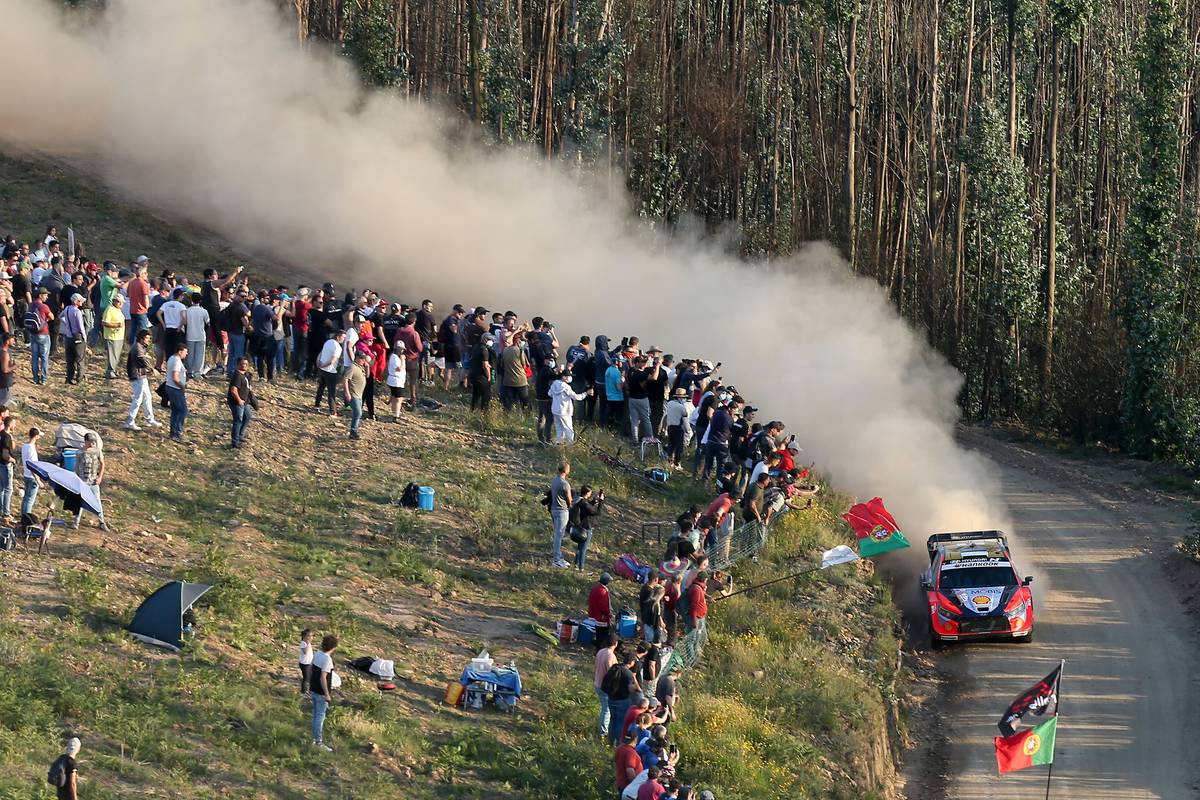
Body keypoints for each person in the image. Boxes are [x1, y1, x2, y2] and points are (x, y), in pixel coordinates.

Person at [124, 329, 159, 430]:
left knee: (147, 396)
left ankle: (149, 419)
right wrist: (152, 369)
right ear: (141, 338)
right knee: (138, 398)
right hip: (137, 376)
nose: (148, 340)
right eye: (147, 338)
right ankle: (130, 421)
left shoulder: (140, 347)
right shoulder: (137, 348)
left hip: (141, 375)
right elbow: (142, 360)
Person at [72, 433, 107, 530]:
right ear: (86, 441)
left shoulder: (97, 451)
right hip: (82, 481)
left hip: (93, 482)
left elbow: (102, 464)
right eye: (90, 441)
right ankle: (76, 522)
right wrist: (76, 478)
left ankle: (102, 522)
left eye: (93, 441)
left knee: (97, 502)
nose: (92, 443)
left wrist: (100, 477)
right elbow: (76, 467)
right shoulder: (79, 452)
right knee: (79, 502)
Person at [605, 651, 640, 746]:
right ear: (632, 662)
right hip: (622, 700)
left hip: (611, 698)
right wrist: (636, 688)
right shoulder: (627, 673)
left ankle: (610, 741)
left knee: (613, 720)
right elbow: (631, 689)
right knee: (620, 722)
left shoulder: (615, 667)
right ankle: (618, 743)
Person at [310, 634, 338, 751]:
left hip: (313, 689)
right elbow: (323, 677)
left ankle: (314, 739)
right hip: (321, 692)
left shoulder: (317, 654)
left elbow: (311, 668)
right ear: (333, 647)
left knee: (316, 715)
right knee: (320, 717)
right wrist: (327, 694)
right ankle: (318, 743)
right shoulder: (327, 660)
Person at [549, 365, 590, 444]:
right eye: (568, 376)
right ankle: (570, 445)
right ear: (563, 377)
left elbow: (549, 393)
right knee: (568, 429)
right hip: (564, 411)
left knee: (559, 429)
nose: (569, 378)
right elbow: (576, 397)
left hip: (555, 410)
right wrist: (586, 393)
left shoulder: (554, 384)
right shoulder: (566, 387)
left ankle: (559, 443)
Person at [569, 485, 605, 570]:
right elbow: (596, 512)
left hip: (580, 526)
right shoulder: (584, 503)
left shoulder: (579, 500)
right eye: (590, 493)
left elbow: (588, 507)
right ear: (587, 493)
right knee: (583, 549)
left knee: (579, 548)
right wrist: (601, 502)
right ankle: (581, 567)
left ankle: (576, 565)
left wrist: (594, 501)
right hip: (586, 528)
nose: (591, 494)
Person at [227, 357, 258, 448]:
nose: (244, 365)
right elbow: (233, 390)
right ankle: (235, 442)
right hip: (237, 402)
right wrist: (239, 400)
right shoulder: (237, 375)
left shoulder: (245, 375)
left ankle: (240, 435)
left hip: (245, 402)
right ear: (238, 365)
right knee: (238, 420)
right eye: (242, 364)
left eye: (246, 364)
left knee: (247, 416)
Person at [314, 330, 345, 416]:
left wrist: (318, 363)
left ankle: (317, 405)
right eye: (343, 337)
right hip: (330, 371)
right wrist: (324, 365)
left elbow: (321, 353)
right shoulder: (338, 347)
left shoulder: (327, 342)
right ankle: (333, 411)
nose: (344, 340)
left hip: (322, 370)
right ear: (338, 337)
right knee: (331, 392)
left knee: (321, 388)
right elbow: (332, 361)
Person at [594, 631, 618, 740]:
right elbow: (612, 673)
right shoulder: (610, 656)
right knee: (606, 710)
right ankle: (603, 733)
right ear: (615, 643)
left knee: (604, 708)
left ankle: (603, 729)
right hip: (605, 687)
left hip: (597, 683)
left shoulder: (600, 651)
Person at [27, 287, 53, 385]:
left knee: (34, 357)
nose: (47, 297)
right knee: (44, 357)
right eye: (45, 295)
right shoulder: (44, 307)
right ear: (40, 295)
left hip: (33, 333)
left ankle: (35, 378)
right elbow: (52, 316)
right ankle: (44, 379)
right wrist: (45, 320)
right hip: (43, 333)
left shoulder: (31, 305)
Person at [549, 462, 572, 568]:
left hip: (554, 509)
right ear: (566, 471)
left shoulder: (554, 480)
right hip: (562, 510)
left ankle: (558, 556)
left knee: (557, 534)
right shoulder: (565, 484)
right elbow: (569, 499)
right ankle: (556, 559)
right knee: (559, 535)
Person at [164, 342, 189, 441]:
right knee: (182, 410)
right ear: (180, 352)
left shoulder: (171, 358)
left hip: (170, 387)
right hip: (175, 389)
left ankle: (173, 432)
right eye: (185, 352)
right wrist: (182, 386)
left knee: (175, 411)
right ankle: (178, 432)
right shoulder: (177, 361)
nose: (186, 354)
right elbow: (175, 377)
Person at [61, 294, 87, 385]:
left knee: (70, 359)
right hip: (78, 337)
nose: (81, 302)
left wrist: (67, 324)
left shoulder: (67, 309)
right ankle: (79, 378)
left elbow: (61, 317)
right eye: (80, 301)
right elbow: (81, 326)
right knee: (80, 359)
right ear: (76, 302)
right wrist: (84, 337)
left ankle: (69, 378)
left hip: (68, 337)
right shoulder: (77, 311)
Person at [184, 292, 210, 378]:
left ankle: (189, 371)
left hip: (190, 335)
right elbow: (208, 322)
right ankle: (197, 372)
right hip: (201, 335)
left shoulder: (187, 310)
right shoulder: (204, 311)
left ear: (191, 300)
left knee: (190, 354)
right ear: (200, 300)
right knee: (200, 355)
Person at [344, 351, 369, 439]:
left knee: (358, 413)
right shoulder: (352, 367)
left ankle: (354, 430)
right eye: (362, 358)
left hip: (359, 395)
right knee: (358, 412)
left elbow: (368, 376)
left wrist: (367, 367)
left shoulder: (361, 367)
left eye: (364, 358)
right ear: (357, 358)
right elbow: (346, 379)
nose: (363, 360)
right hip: (353, 394)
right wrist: (347, 393)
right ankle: (353, 431)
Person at [101, 294, 126, 378]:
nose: (121, 304)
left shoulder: (118, 310)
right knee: (112, 355)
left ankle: (114, 370)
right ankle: (110, 371)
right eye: (120, 302)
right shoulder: (109, 309)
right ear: (116, 302)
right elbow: (104, 322)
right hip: (111, 336)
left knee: (116, 355)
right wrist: (116, 325)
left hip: (119, 336)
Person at [469, 332, 495, 411]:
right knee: (486, 396)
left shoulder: (476, 347)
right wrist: (489, 376)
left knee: (476, 395)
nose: (492, 342)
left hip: (473, 374)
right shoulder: (484, 350)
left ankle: (472, 410)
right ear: (485, 340)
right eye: (490, 340)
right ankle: (484, 413)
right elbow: (485, 365)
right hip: (482, 376)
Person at [20, 427, 41, 517]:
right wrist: (38, 480)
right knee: (29, 500)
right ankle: (27, 518)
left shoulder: (25, 446)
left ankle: (23, 515)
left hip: (26, 475)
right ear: (36, 436)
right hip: (32, 477)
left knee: (26, 498)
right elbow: (33, 467)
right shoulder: (31, 449)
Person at [614, 730, 642, 797]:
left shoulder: (620, 748)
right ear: (635, 739)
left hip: (621, 782)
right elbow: (629, 770)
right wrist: (634, 785)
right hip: (627, 785)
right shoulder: (630, 752)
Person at [588, 572, 613, 647]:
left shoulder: (596, 588)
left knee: (598, 632)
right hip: (602, 617)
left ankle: (598, 645)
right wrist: (608, 613)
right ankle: (600, 647)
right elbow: (604, 606)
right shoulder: (603, 591)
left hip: (595, 614)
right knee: (603, 634)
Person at [385, 340, 407, 421]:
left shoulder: (395, 357)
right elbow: (399, 369)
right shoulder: (394, 357)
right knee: (398, 399)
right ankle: (396, 416)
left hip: (398, 380)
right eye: (400, 349)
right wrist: (403, 360)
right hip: (396, 381)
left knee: (395, 398)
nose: (402, 351)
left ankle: (395, 414)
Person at [0, 414, 13, 521]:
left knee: (1, 488)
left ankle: (2, 510)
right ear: (10, 424)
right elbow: (5, 455)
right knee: (8, 489)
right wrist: (13, 460)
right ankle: (6, 512)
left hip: (0, 464)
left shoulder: (1, 434)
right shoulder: (6, 438)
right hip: (5, 465)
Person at [298, 628, 314, 697]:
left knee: (309, 677)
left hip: (309, 663)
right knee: (306, 678)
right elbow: (305, 652)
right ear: (304, 636)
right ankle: (303, 692)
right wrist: (307, 643)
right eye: (309, 636)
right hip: (304, 664)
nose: (311, 637)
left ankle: (307, 690)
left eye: (312, 636)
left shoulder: (308, 643)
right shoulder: (303, 643)